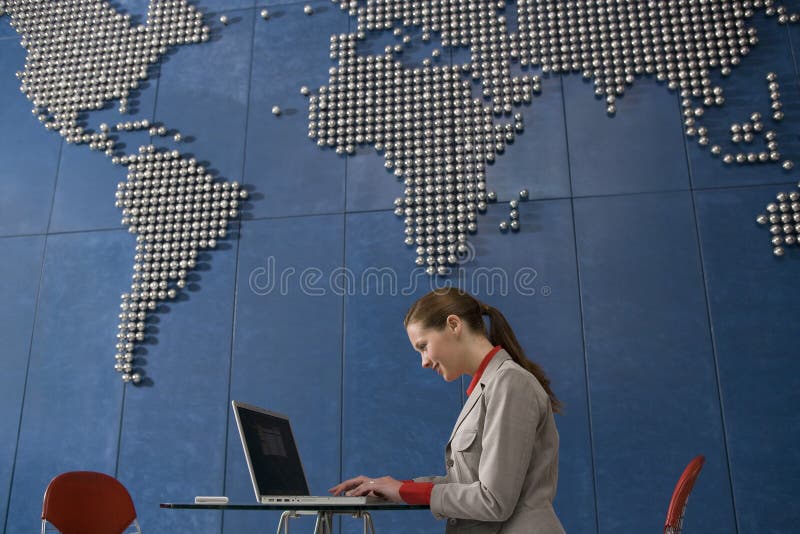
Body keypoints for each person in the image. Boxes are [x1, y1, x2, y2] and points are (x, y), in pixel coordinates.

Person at [329, 287, 566, 533]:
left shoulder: (509, 383)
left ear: (454, 324)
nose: (424, 361)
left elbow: (494, 500)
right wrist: (396, 488)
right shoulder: (490, 387)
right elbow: (468, 484)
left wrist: (404, 490)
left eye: (423, 346)